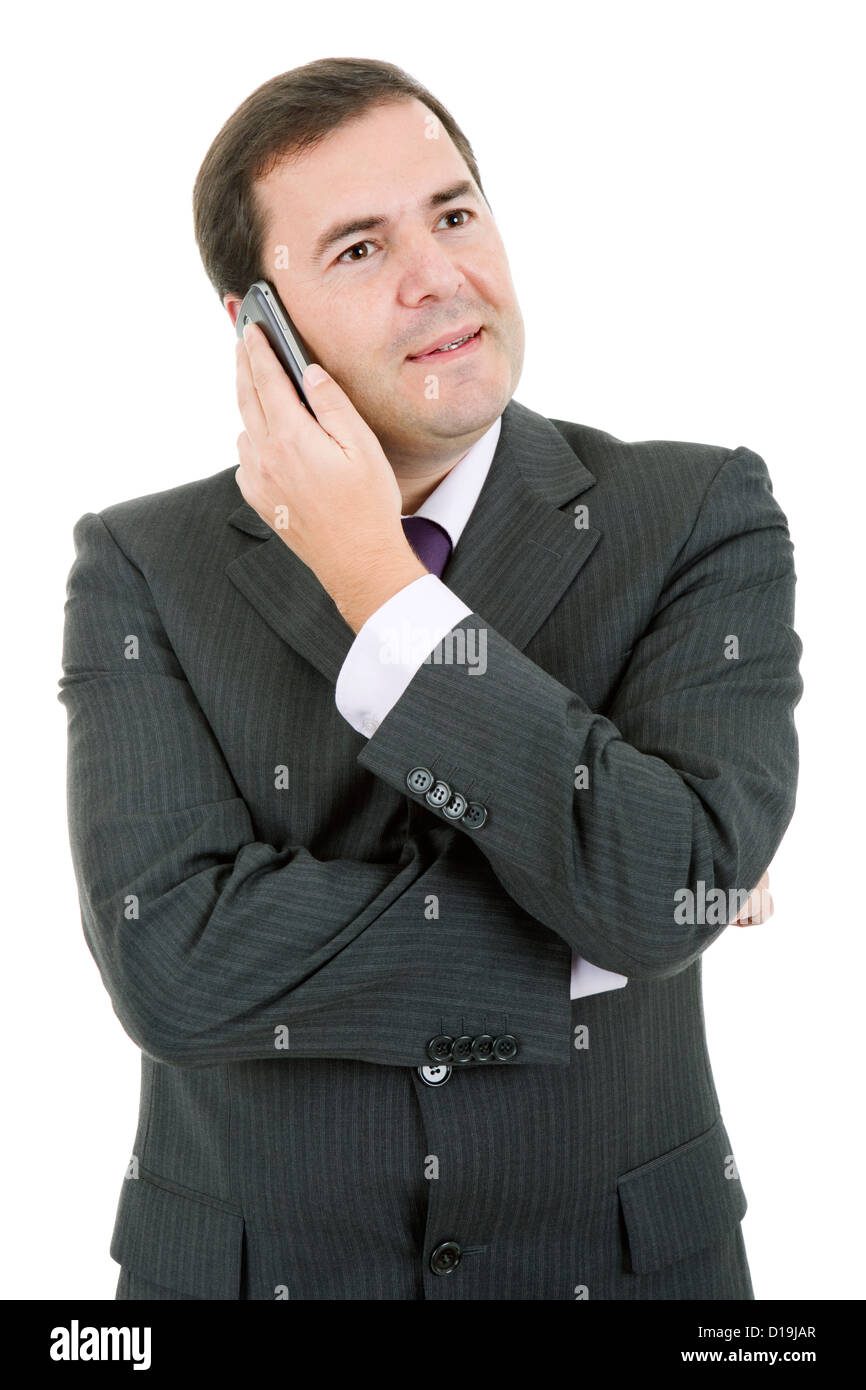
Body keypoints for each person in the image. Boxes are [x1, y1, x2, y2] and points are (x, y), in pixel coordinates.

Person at [58, 57, 802, 1301]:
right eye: (357, 248)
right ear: (258, 327)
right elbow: (172, 963)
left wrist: (383, 596)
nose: (437, 277)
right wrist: (592, 937)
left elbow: (666, 882)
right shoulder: (141, 565)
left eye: (453, 214)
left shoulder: (694, 513)